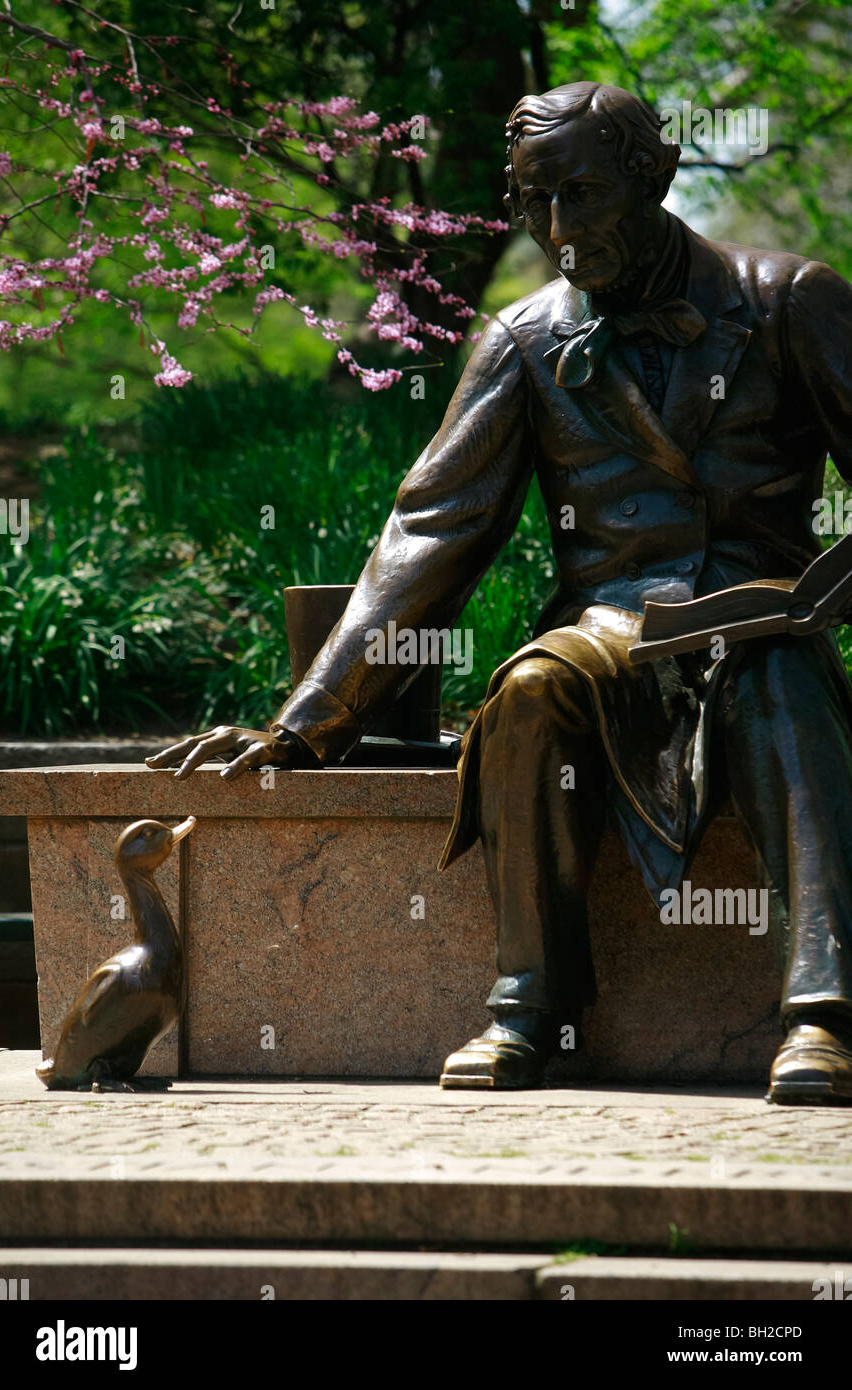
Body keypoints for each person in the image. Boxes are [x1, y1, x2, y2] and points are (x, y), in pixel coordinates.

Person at [147, 82, 852, 1104]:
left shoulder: (788, 299)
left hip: (763, 613)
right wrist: (306, 726)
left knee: (776, 678)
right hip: (611, 629)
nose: (558, 229)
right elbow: (432, 531)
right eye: (533, 203)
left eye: (582, 192)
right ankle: (533, 1002)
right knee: (524, 692)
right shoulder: (523, 339)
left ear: (653, 177)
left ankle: (820, 1014)